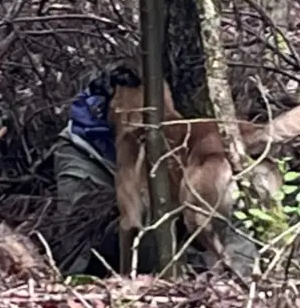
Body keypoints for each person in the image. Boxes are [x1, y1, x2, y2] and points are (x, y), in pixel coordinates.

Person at [52, 63, 259, 277]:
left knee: (208, 219)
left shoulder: (171, 118)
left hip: (162, 159)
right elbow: (130, 225)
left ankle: (241, 277)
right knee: (81, 231)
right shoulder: (112, 105)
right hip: (89, 151)